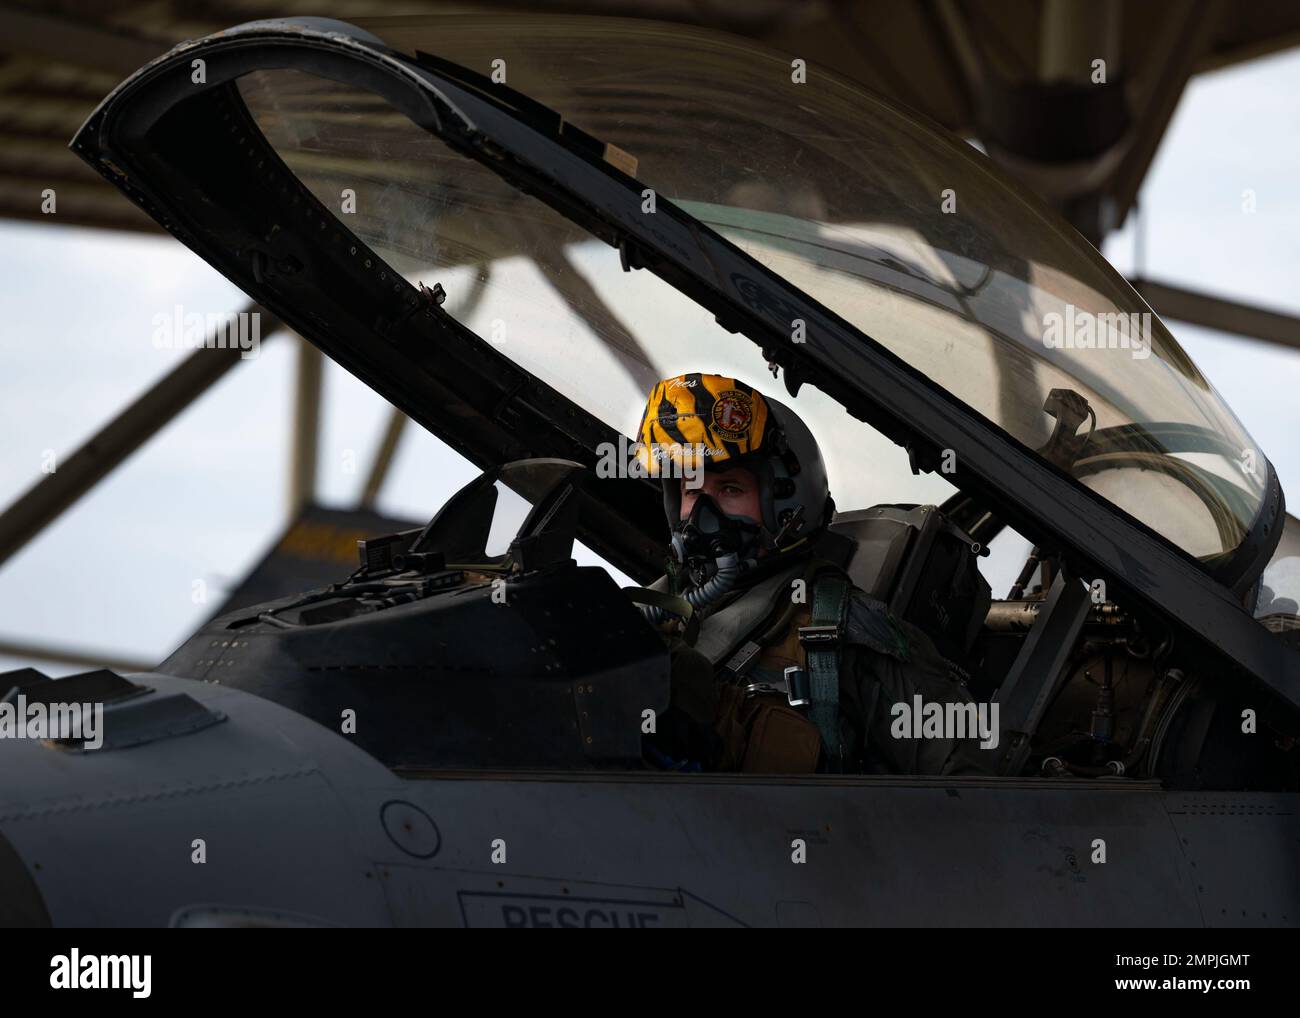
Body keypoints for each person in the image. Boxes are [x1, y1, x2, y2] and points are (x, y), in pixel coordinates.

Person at [634, 372, 990, 775]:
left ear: (786, 504)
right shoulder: (656, 611)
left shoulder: (851, 634)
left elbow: (972, 784)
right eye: (692, 491)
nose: (703, 514)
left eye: (730, 490)